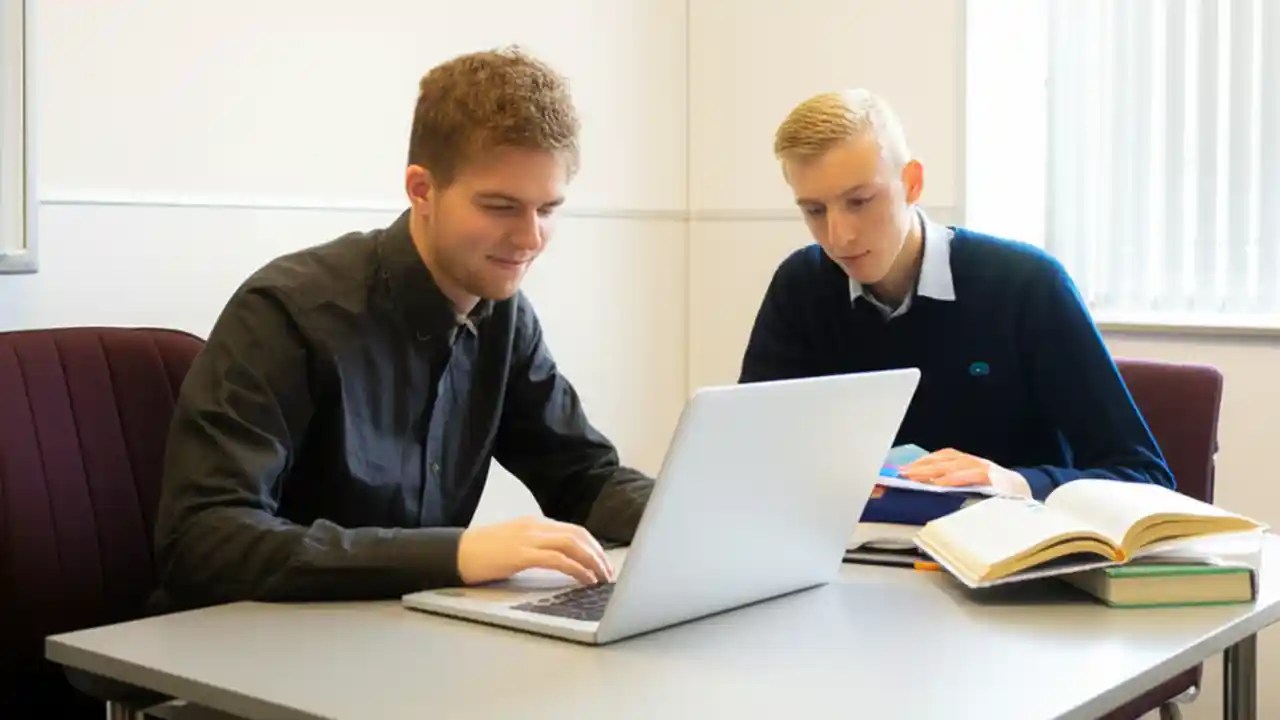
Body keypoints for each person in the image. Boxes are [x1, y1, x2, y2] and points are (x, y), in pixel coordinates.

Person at [151, 47, 653, 610]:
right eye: (501, 206)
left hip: (402, 641)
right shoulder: (288, 311)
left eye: (549, 209)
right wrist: (457, 555)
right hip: (249, 649)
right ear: (422, 190)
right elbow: (204, 543)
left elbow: (584, 477)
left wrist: (702, 523)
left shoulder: (502, 316)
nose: (531, 238)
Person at [740, 89, 1172, 500]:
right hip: (856, 559)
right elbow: (752, 457)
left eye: (860, 201)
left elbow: (1144, 478)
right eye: (814, 210)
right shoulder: (801, 285)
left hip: (1008, 557)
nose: (839, 236)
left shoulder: (1026, 285)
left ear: (912, 183)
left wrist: (1014, 483)